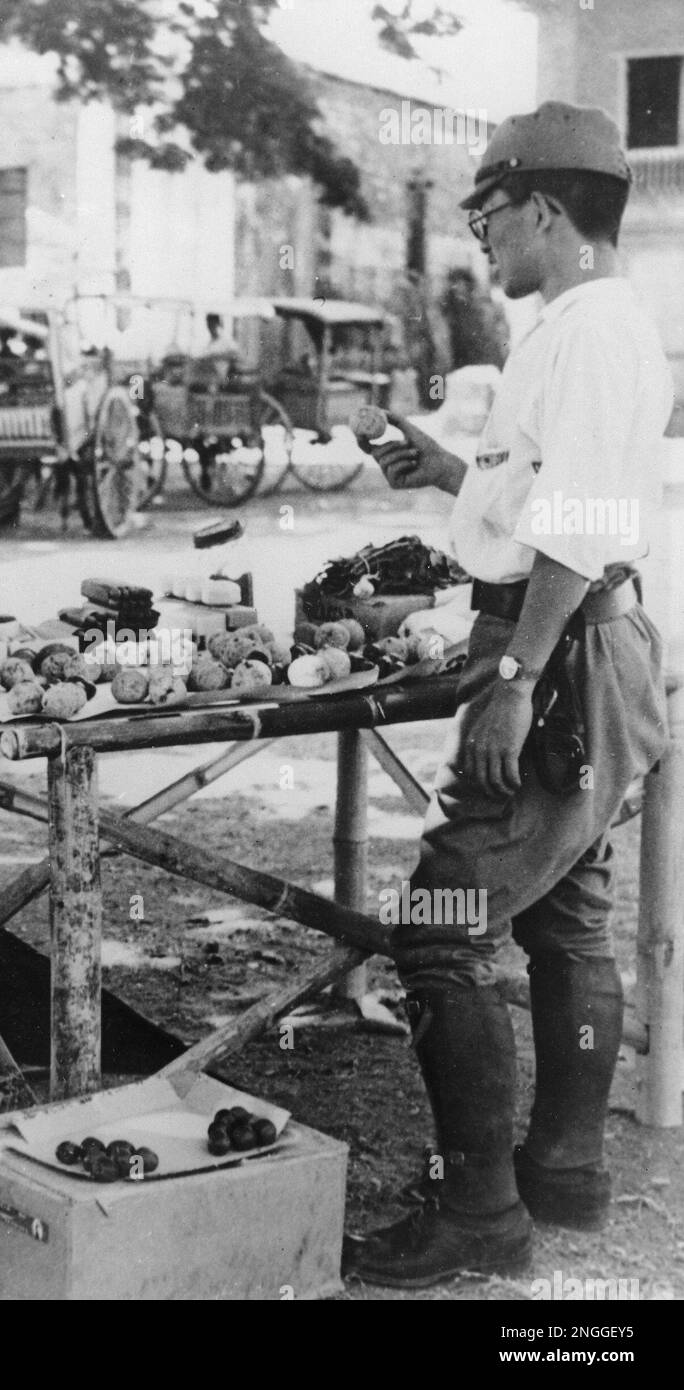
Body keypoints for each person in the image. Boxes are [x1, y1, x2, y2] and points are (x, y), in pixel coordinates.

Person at [342, 103, 673, 1287]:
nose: (478, 236)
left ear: (543, 208)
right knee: (566, 918)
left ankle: (477, 1213)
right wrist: (442, 467)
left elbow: (577, 529)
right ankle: (565, 1170)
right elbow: (548, 490)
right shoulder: (588, 322)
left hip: (562, 649)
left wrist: (516, 679)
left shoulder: (587, 331)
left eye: (487, 213)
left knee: (440, 921)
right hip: (590, 639)